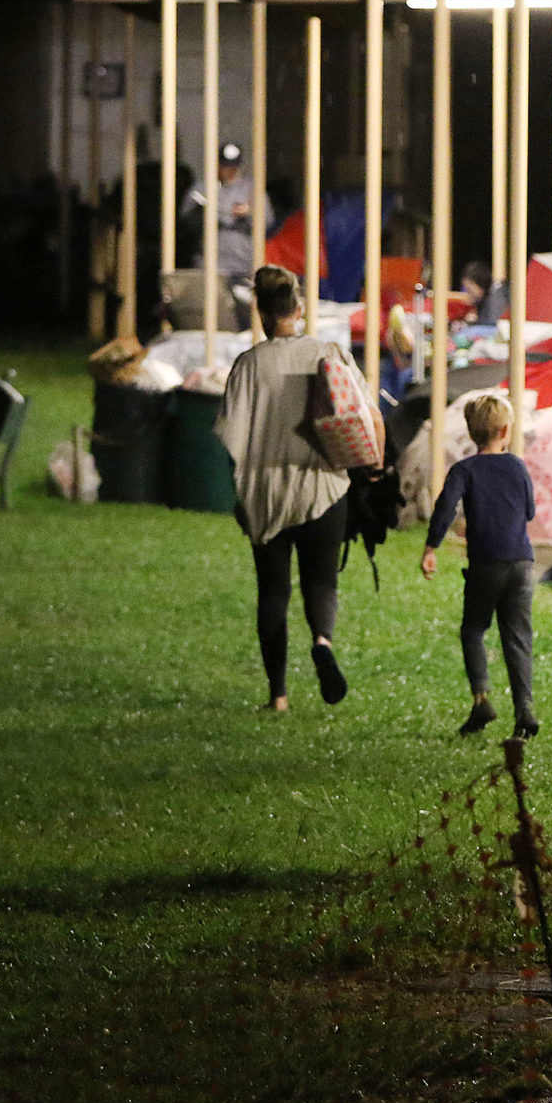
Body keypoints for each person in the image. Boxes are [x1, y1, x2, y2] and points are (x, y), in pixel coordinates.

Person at [215, 266, 373, 711]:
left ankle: (278, 696)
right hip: (323, 486)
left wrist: (242, 491)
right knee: (321, 582)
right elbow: (364, 415)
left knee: (273, 591)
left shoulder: (248, 365)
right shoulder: (330, 352)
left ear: (261, 312)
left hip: (265, 490)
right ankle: (322, 641)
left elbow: (230, 436)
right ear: (300, 309)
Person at [421, 394, 539, 739]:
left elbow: (445, 507)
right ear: (505, 430)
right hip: (521, 562)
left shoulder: (465, 470)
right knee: (517, 638)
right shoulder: (517, 466)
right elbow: (530, 512)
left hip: (486, 563)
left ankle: (482, 699)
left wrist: (431, 547)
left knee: (473, 629)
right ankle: (525, 711)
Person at [186, 142, 271, 279]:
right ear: (217, 165)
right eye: (225, 166)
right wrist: (206, 213)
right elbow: (186, 222)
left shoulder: (252, 190)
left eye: (234, 167)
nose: (230, 171)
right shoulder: (202, 188)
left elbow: (268, 222)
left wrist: (249, 214)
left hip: (244, 266)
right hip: (209, 265)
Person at [461, 260, 509, 326]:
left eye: (469, 290)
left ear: (477, 284)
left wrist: (476, 321)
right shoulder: (486, 296)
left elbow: (491, 324)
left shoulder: (495, 297)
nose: (469, 294)